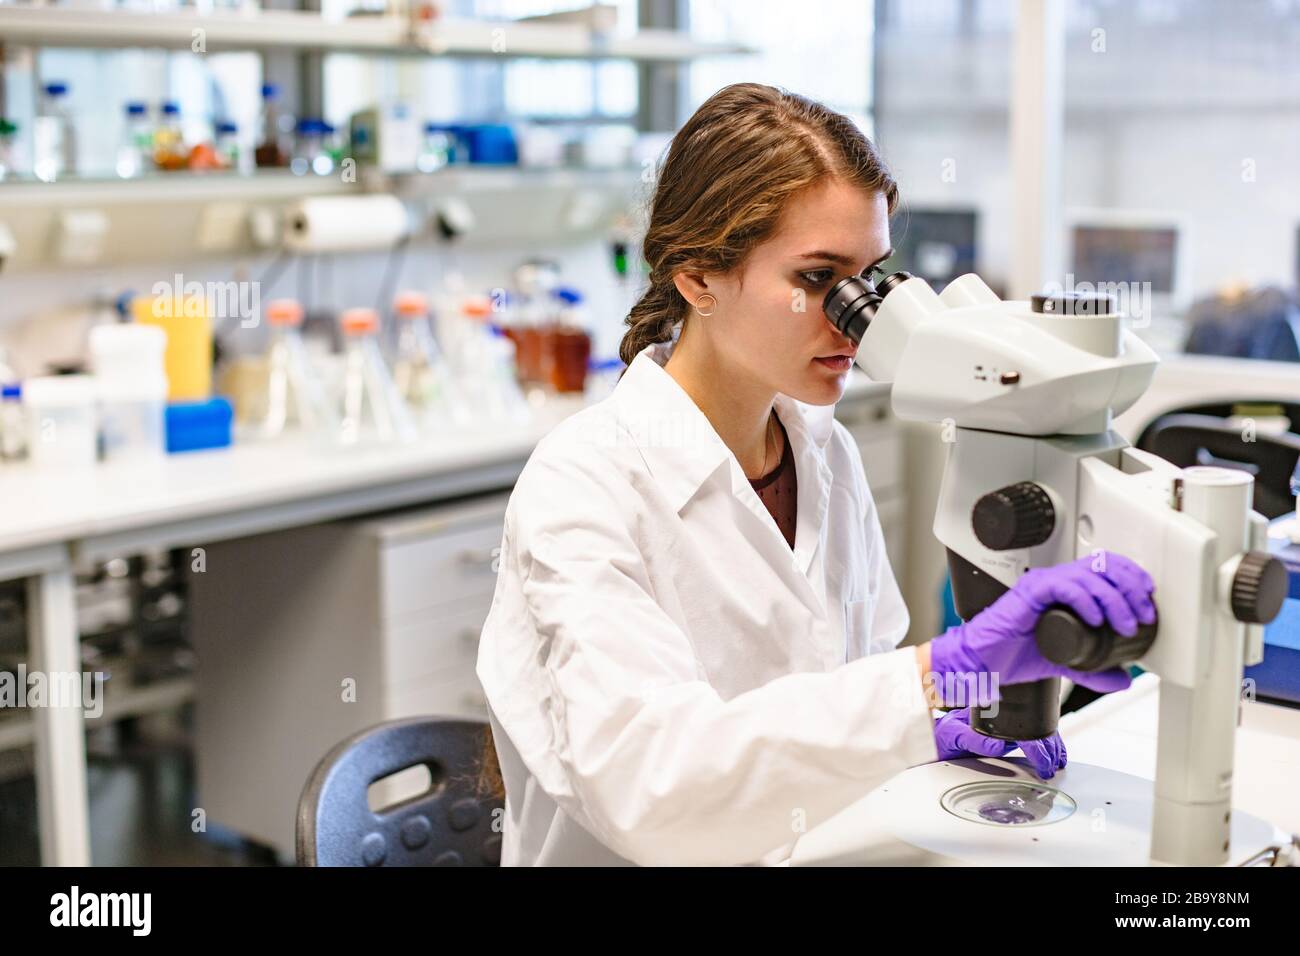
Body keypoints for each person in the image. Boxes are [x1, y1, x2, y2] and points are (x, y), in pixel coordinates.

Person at [475, 83, 1155, 866]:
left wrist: (932, 721)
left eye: (871, 276)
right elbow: (651, 790)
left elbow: (850, 695)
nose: (855, 314)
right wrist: (934, 682)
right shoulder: (584, 482)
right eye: (815, 278)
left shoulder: (822, 449)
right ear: (698, 278)